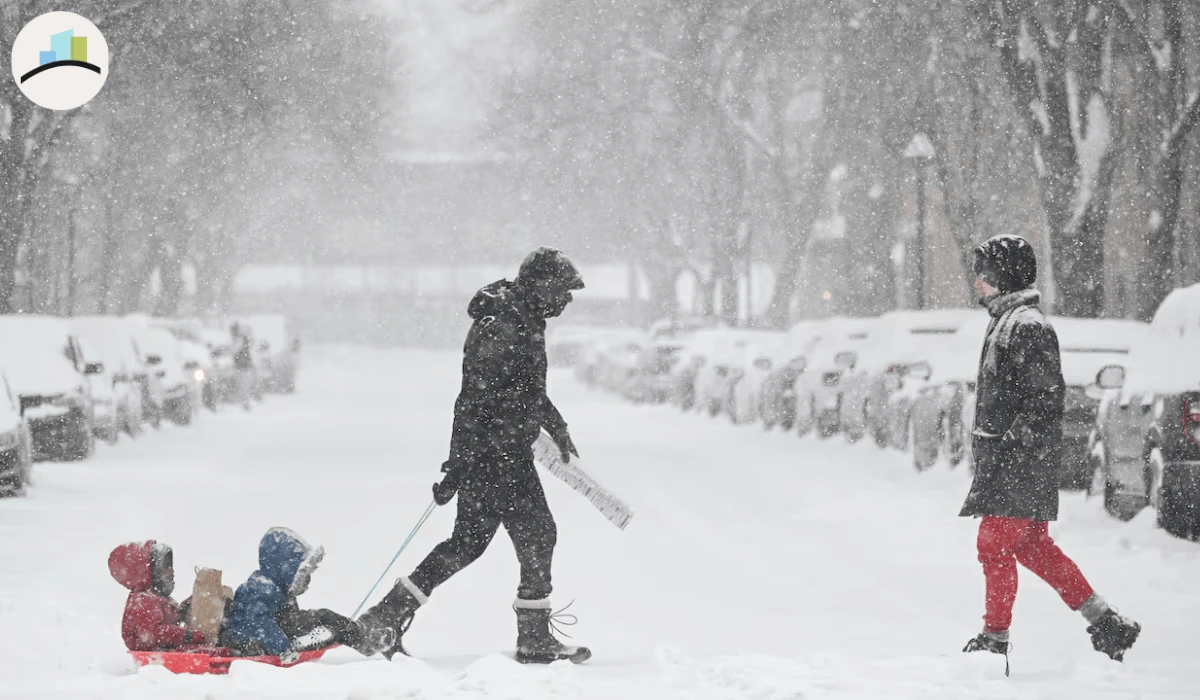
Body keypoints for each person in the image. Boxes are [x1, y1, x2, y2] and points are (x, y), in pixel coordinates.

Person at [357, 247, 591, 664]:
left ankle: (387, 615)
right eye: (563, 289)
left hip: (501, 452)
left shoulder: (522, 318)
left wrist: (555, 423)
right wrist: (457, 464)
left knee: (470, 544)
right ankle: (533, 638)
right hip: (495, 455)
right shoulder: (504, 326)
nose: (567, 299)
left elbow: (525, 391)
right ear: (539, 285)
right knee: (533, 535)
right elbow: (473, 399)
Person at [960, 234, 1141, 669]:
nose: (978, 281)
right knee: (1033, 547)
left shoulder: (1026, 325)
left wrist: (1008, 447)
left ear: (1005, 276)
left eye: (985, 273)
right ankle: (1106, 621)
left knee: (993, 546)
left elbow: (1044, 399)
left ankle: (994, 637)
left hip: (1019, 462)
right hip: (1015, 461)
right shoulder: (1008, 320)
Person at [224, 527, 394, 661]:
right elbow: (258, 621)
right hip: (254, 641)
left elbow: (285, 618)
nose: (306, 581)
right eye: (301, 574)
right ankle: (358, 639)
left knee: (325, 621)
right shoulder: (263, 588)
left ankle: (356, 637)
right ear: (285, 568)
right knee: (325, 621)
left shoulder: (274, 585)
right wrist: (282, 647)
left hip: (275, 633)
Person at [108, 540, 209, 652]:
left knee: (212, 650)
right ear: (152, 572)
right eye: (166, 567)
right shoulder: (142, 600)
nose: (172, 572)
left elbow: (169, 618)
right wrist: (188, 636)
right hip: (155, 654)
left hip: (164, 649)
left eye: (171, 567)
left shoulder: (157, 597)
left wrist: (183, 611)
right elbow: (153, 633)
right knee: (208, 653)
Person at [232, 327, 256, 411]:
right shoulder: (245, 342)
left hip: (241, 367)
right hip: (245, 367)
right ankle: (245, 404)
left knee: (242, 386)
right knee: (244, 387)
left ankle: (244, 404)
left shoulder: (239, 341)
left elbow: (234, 352)